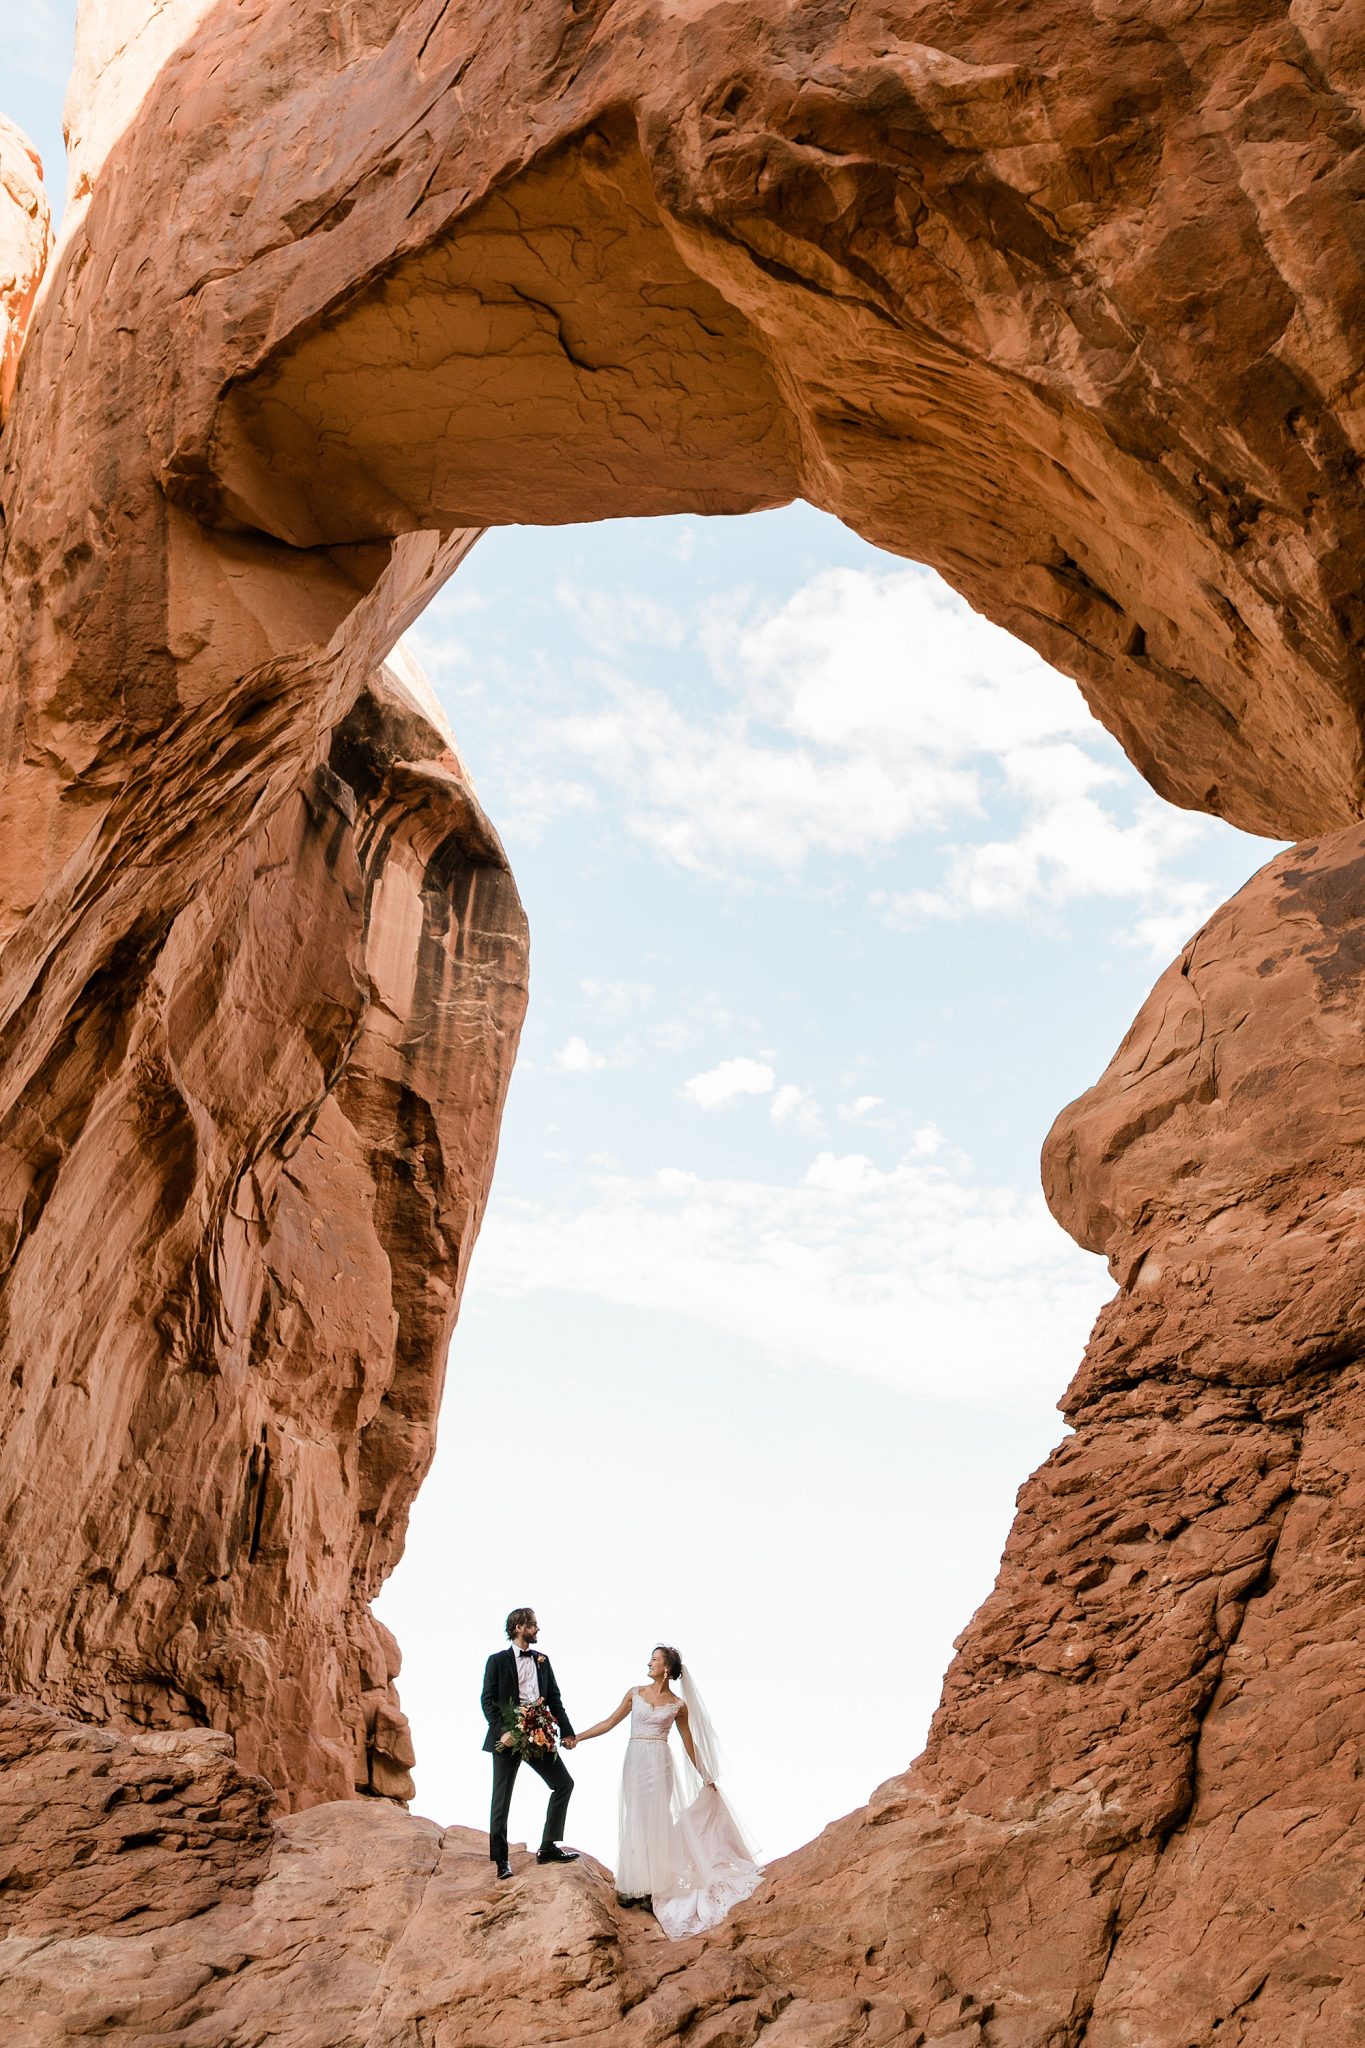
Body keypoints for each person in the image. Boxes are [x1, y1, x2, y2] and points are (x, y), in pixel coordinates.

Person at [574, 1643, 762, 1939]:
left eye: (655, 1659)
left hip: (660, 1763)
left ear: (667, 1669)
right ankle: (631, 1886)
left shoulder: (678, 1706)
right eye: (651, 1658)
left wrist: (705, 1775)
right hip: (636, 1759)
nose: (649, 1663)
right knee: (635, 1816)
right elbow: (610, 1722)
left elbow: (689, 1742)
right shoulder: (635, 1693)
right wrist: (578, 1738)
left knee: (657, 1820)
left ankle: (650, 1890)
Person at [481, 1606, 579, 1880]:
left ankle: (548, 1847)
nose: (537, 1629)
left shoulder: (543, 1661)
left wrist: (567, 1732)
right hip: (508, 1736)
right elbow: (487, 1701)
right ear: (518, 1628)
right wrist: (501, 1731)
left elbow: (555, 1699)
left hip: (538, 1732)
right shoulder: (496, 1661)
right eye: (533, 1624)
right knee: (501, 1798)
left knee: (563, 1783)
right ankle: (501, 1861)